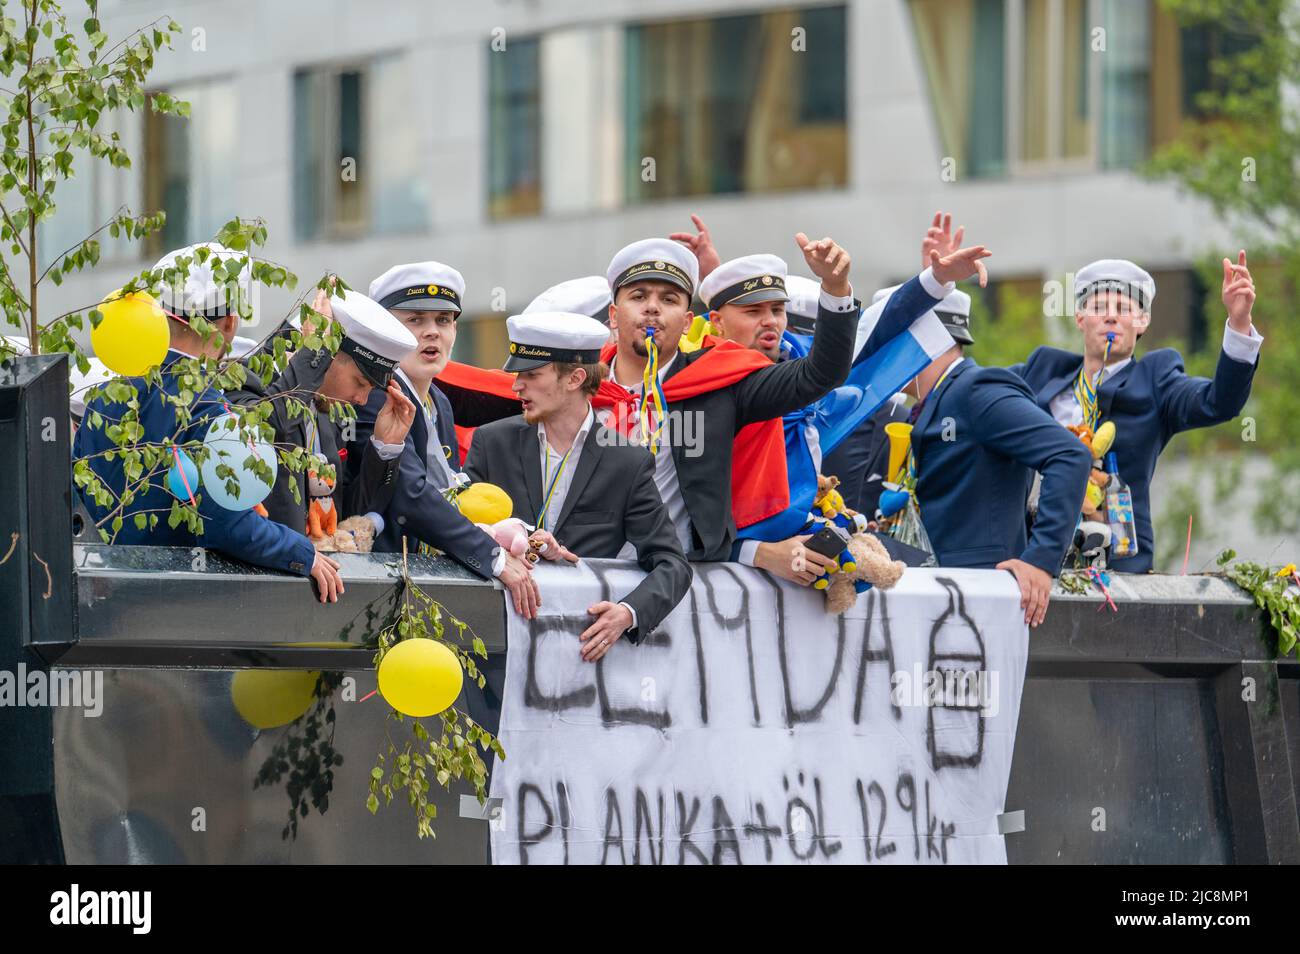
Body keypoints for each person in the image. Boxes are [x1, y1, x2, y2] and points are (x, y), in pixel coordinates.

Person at [698, 243, 988, 584]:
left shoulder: (797, 361)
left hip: (803, 557)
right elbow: (681, 512)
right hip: (724, 574)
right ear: (715, 322)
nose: (770, 322)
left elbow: (876, 329)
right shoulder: (697, 382)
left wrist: (937, 278)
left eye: (778, 310)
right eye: (752, 311)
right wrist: (757, 552)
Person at [72, 243, 345, 603]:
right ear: (230, 323)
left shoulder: (106, 397)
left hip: (99, 595)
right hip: (174, 603)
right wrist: (301, 552)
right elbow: (225, 522)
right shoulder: (205, 403)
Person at [1006, 254, 1262, 572]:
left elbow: (1218, 402)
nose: (1110, 318)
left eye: (1123, 309)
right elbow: (978, 397)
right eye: (1099, 307)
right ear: (1080, 317)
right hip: (1036, 559)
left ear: (1141, 321)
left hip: (1119, 564)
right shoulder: (1042, 370)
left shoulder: (1156, 379)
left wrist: (1239, 324)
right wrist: (940, 287)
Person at [464, 312, 692, 660]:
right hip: (496, 642)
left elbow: (673, 564)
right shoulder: (491, 442)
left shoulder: (627, 462)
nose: (515, 386)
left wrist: (628, 613)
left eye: (531, 375)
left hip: (578, 648)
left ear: (575, 379)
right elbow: (462, 530)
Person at [351, 261, 540, 617]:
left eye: (443, 320)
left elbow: (452, 492)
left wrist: (511, 534)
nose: (432, 332)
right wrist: (491, 555)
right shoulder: (376, 396)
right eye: (415, 320)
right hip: (380, 591)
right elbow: (409, 495)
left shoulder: (438, 400)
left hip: (430, 582)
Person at [226, 287, 417, 541]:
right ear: (329, 354)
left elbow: (344, 514)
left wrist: (385, 447)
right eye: (360, 383)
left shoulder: (331, 412)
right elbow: (266, 432)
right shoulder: (242, 378)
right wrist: (314, 353)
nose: (361, 400)